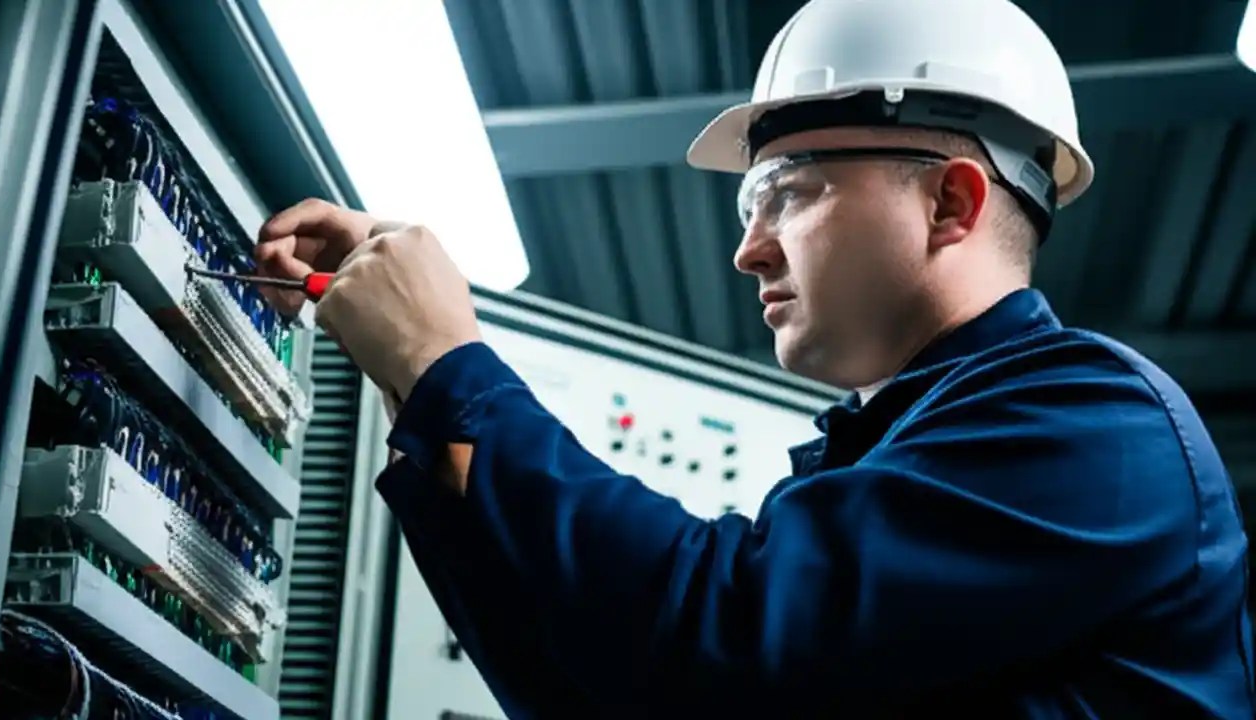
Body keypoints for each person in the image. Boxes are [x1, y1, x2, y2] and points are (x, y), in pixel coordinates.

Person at [255, 0, 1254, 716]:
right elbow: (617, 689)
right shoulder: (888, 459)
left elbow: (720, 639)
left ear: (949, 203)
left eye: (787, 192)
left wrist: (451, 368)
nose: (747, 246)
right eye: (749, 206)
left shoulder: (1094, 424)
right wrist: (415, 388)